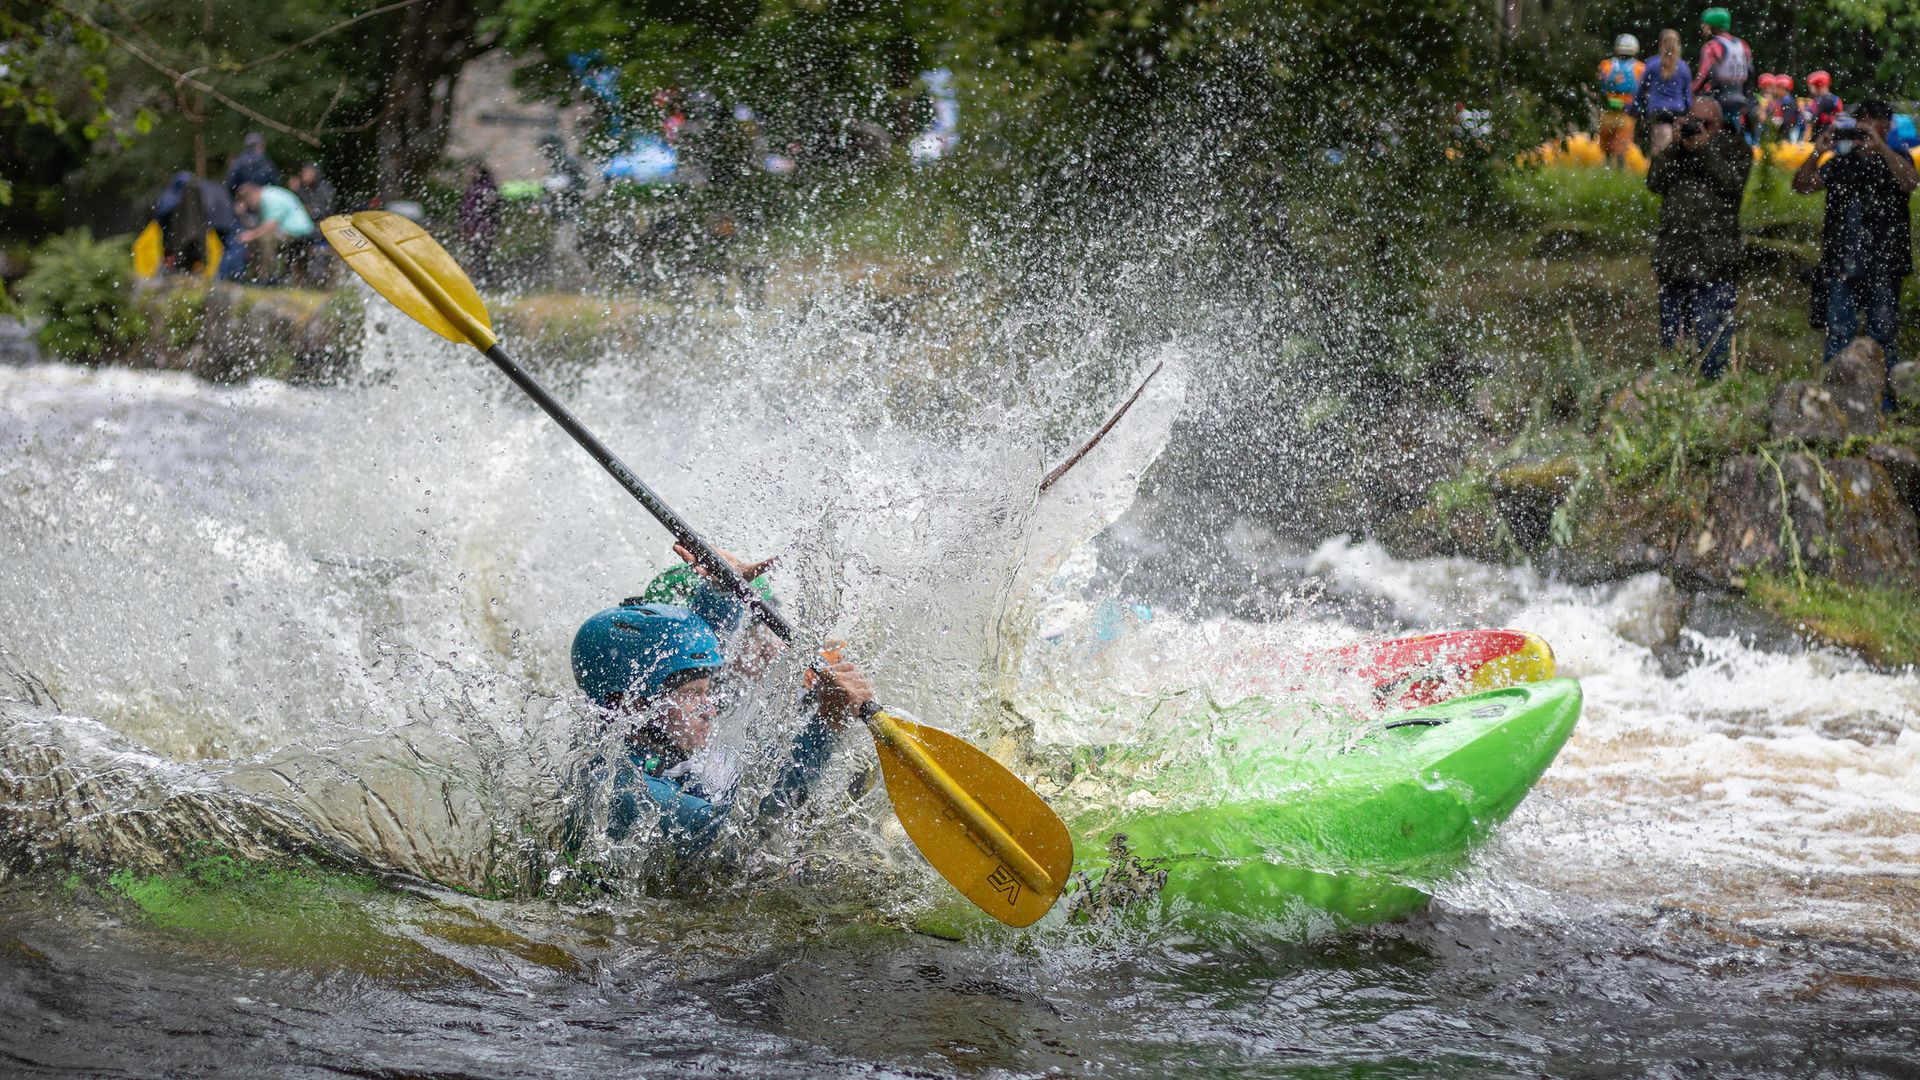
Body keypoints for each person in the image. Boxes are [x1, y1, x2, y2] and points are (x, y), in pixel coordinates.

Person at [569, 553, 874, 851]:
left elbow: (689, 655)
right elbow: (743, 837)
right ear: (630, 705)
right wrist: (826, 725)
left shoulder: (642, 739)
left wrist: (721, 590)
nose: (710, 709)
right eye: (691, 694)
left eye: (705, 690)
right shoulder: (624, 790)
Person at [1792, 100, 1918, 379]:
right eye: (1860, 122)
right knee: (1838, 335)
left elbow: (1910, 182)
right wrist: (1817, 153)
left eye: (1871, 121)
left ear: (1886, 126)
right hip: (1842, 264)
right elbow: (1801, 186)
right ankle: (1833, 396)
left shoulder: (1899, 157)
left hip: (1885, 264)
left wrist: (1881, 148)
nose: (1864, 128)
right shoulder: (1842, 164)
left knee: (1882, 336)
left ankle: (1885, 401)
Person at [1647, 98, 1753, 379]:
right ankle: (1674, 396)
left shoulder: (1735, 149)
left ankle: (1713, 398)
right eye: (1695, 121)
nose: (1700, 128)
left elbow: (1732, 184)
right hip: (1674, 260)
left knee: (1713, 345)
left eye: (1707, 124)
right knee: (1673, 346)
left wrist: (1704, 149)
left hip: (1714, 262)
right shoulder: (1677, 152)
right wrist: (1675, 145)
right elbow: (1654, 181)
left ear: (1719, 124)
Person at [153, 171, 243, 278]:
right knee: (230, 248)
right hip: (224, 217)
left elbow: (162, 214)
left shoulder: (182, 194)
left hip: (213, 218)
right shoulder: (207, 187)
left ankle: (223, 277)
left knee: (228, 249)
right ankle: (230, 277)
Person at [234, 181, 317, 284]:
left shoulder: (269, 198)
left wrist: (251, 235)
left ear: (252, 195)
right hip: (288, 231)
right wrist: (242, 216)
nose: (250, 206)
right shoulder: (265, 197)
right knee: (259, 238)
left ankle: (265, 278)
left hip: (300, 232)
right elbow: (259, 226)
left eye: (248, 202)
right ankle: (256, 277)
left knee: (265, 239)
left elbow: (270, 226)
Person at [1631, 29, 1693, 156]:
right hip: (1678, 111)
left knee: (1659, 148)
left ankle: (1656, 169)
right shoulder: (1683, 67)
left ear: (1661, 44)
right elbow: (1687, 95)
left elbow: (1641, 90)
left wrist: (1635, 109)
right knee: (1674, 147)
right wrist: (1688, 112)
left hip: (1658, 110)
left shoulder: (1652, 64)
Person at [1692, 8, 1751, 128]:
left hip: (1718, 98)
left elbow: (1703, 76)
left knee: (1711, 134)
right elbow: (1750, 73)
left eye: (1705, 24)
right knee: (1734, 133)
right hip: (1739, 98)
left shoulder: (1712, 46)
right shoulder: (1743, 45)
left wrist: (1689, 91)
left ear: (1712, 26)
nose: (1703, 28)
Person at [1596, 35, 1645, 168]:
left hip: (1608, 112)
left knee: (1606, 146)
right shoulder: (1640, 68)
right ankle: (1620, 171)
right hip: (1626, 114)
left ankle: (1606, 169)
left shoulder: (1605, 65)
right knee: (1621, 147)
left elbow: (1600, 86)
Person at [457, 163, 503, 284]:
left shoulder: (486, 186)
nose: (471, 174)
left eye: (474, 171)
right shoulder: (475, 186)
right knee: (477, 253)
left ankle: (486, 279)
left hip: (483, 225)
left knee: (483, 252)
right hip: (474, 224)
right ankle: (481, 278)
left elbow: (493, 205)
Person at [1805, 72, 1843, 140]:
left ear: (1819, 86)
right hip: (1822, 134)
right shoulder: (1822, 99)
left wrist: (1802, 112)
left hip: (1825, 136)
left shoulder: (1827, 100)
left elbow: (1812, 118)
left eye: (1812, 86)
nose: (1811, 89)